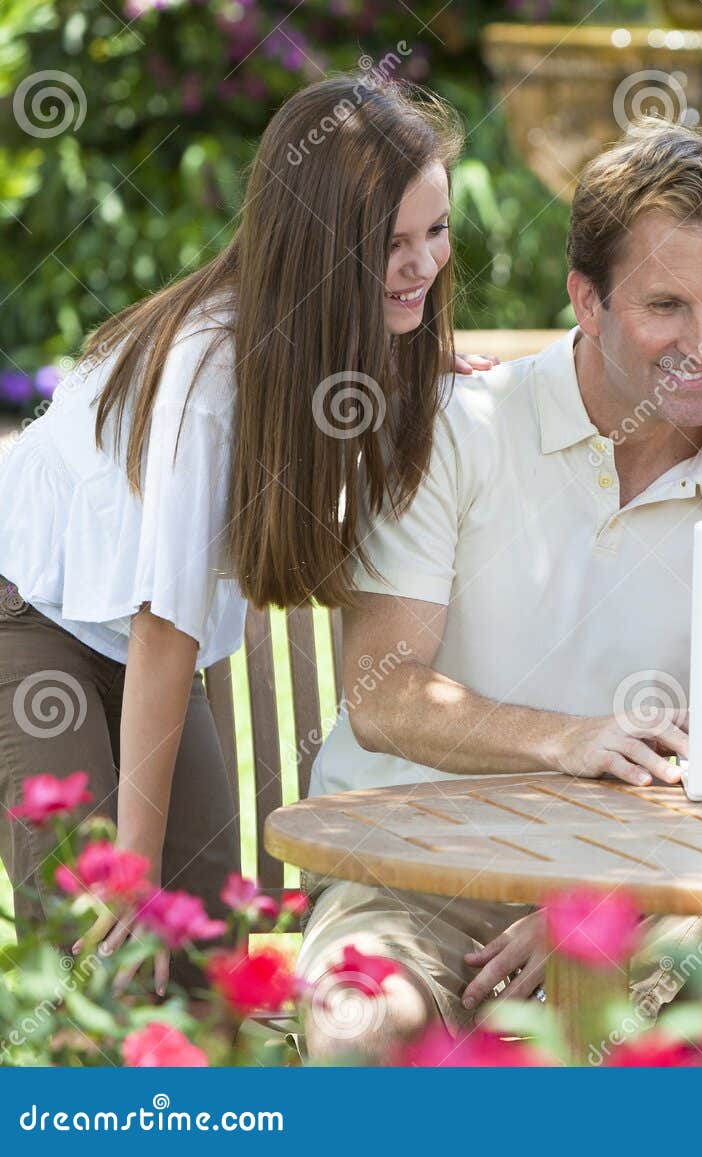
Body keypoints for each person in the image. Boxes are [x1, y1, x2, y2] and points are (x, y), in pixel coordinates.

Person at [295, 118, 702, 1060]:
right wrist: (569, 740)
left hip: (643, 892)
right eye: (665, 306)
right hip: (414, 872)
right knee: (365, 1030)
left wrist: (601, 903)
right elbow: (383, 692)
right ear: (587, 300)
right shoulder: (454, 432)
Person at [0, 74, 495, 990]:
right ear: (318, 246)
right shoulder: (211, 374)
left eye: (436, 232)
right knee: (104, 944)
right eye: (392, 244)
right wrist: (130, 879)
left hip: (141, 642)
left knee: (205, 954)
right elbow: (164, 631)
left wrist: (417, 367)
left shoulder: (347, 336)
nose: (424, 264)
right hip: (28, 620)